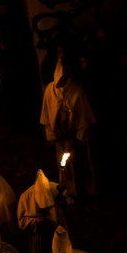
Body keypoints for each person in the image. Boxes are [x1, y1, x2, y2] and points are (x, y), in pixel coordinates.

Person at [39, 58, 98, 198]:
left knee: (81, 164)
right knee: (65, 166)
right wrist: (52, 135)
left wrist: (80, 137)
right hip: (60, 137)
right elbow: (47, 116)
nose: (62, 84)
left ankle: (86, 191)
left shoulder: (77, 91)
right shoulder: (50, 91)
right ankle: (69, 191)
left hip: (75, 137)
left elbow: (84, 117)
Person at [16, 168, 70, 253]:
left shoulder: (54, 189)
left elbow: (68, 202)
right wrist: (34, 221)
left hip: (55, 233)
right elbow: (21, 222)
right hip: (38, 237)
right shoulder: (26, 197)